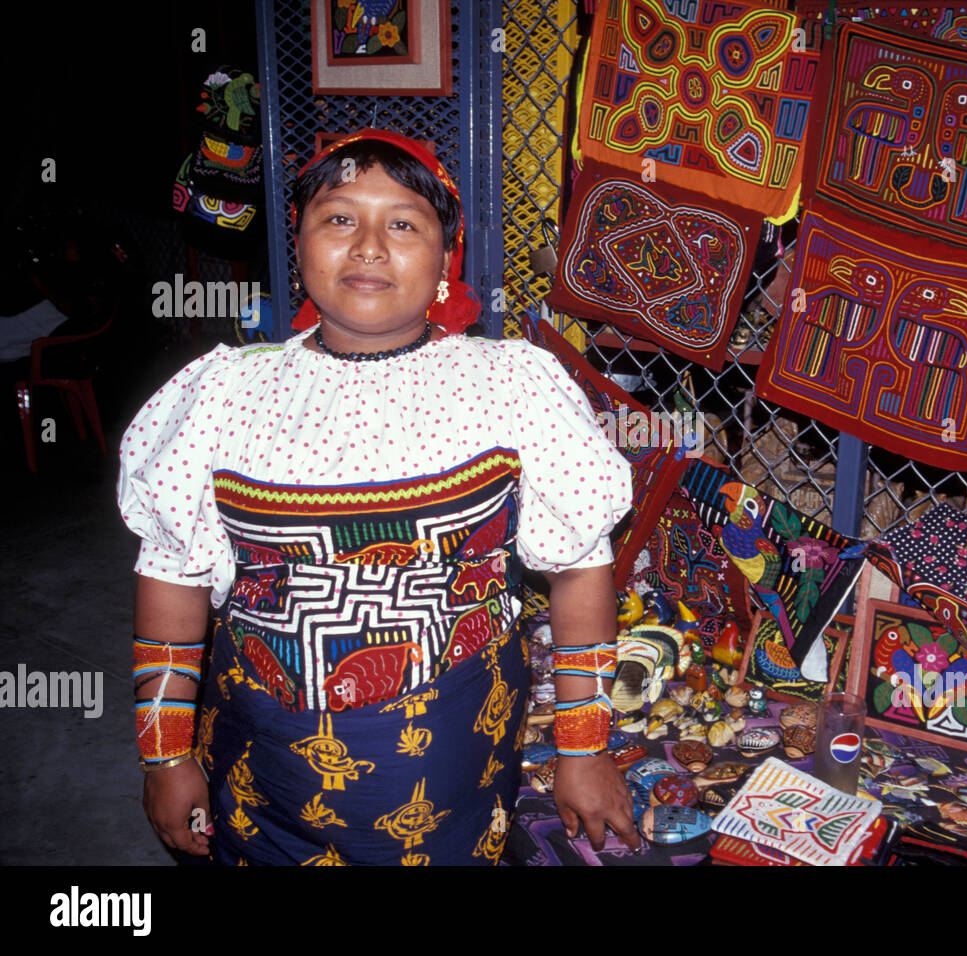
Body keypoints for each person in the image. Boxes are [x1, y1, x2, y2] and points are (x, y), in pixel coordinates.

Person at [118, 128, 641, 864]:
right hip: (264, 765)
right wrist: (166, 758)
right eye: (338, 218)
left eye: (402, 223)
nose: (367, 245)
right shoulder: (223, 391)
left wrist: (583, 749)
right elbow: (173, 575)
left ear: (445, 262)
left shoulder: (511, 387)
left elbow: (580, 567)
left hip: (453, 760)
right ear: (298, 246)